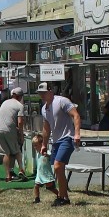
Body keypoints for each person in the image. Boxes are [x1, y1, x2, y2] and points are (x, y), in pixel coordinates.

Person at [37, 79, 79, 207]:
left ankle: (62, 196)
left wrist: (77, 133)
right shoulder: (44, 109)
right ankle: (64, 197)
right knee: (59, 170)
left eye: (44, 92)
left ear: (51, 91)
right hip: (55, 141)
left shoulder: (61, 101)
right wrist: (44, 144)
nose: (42, 95)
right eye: (40, 93)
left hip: (67, 138)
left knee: (57, 166)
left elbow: (76, 115)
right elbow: (46, 128)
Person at [0, 85, 26, 183]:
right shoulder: (20, 106)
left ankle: (8, 176)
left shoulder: (4, 102)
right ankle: (21, 169)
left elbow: (5, 117)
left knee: (5, 153)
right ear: (20, 96)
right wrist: (20, 135)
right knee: (16, 150)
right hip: (9, 130)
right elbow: (20, 122)